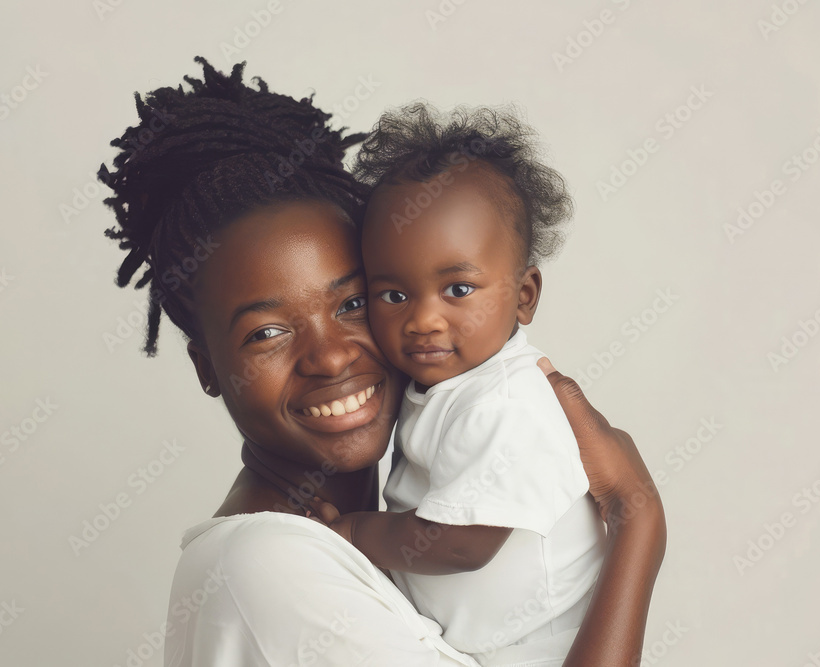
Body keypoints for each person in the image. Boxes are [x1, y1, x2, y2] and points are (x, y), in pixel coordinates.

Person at [97, 58, 666, 666]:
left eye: (351, 302)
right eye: (266, 331)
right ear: (207, 367)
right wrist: (638, 522)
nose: (331, 354)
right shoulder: (264, 569)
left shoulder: (379, 532)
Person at [307, 104, 606, 665]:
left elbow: (463, 544)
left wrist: (351, 534)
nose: (423, 320)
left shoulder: (507, 401)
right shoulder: (442, 386)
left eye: (458, 290)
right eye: (393, 295)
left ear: (525, 295)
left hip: (535, 651)